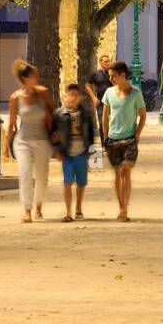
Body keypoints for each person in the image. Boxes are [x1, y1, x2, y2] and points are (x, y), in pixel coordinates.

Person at [4, 60, 54, 223]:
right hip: (23, 141)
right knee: (24, 173)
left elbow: (51, 114)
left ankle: (38, 205)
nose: (37, 78)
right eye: (33, 76)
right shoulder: (15, 97)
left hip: (41, 140)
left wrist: (55, 136)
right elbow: (12, 123)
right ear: (25, 79)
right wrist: (6, 146)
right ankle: (27, 210)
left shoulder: (43, 93)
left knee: (42, 177)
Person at [100, 60, 146, 221]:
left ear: (123, 75)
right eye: (109, 76)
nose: (111, 79)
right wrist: (105, 137)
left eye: (113, 76)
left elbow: (143, 116)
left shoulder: (135, 93)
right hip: (113, 139)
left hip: (129, 139)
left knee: (126, 171)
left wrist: (137, 134)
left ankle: (125, 208)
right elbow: (104, 117)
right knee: (117, 174)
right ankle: (121, 206)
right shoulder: (109, 93)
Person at [53, 84, 95, 222]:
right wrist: (57, 151)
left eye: (75, 95)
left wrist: (95, 157)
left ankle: (78, 208)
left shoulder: (86, 114)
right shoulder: (59, 114)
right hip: (67, 154)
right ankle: (68, 212)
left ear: (80, 98)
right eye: (70, 94)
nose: (72, 98)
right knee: (67, 182)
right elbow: (53, 134)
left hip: (82, 153)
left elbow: (91, 135)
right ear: (65, 96)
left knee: (82, 183)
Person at [85, 54, 113, 134]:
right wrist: (93, 98)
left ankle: (112, 143)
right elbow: (87, 85)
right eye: (105, 61)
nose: (108, 63)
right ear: (100, 62)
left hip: (112, 102)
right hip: (100, 102)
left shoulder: (112, 73)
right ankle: (104, 144)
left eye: (109, 61)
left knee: (113, 123)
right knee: (102, 123)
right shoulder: (95, 74)